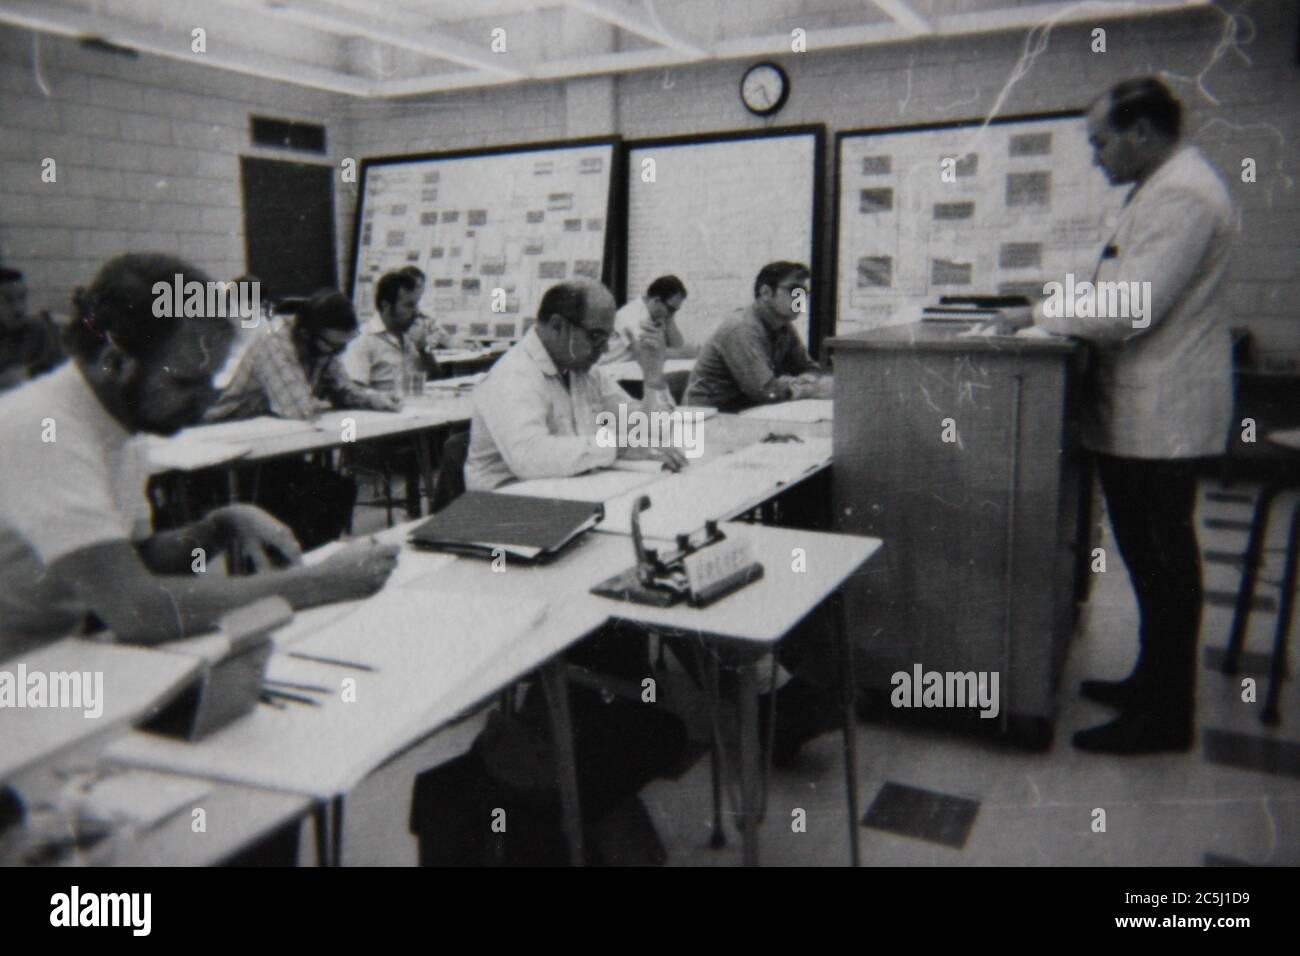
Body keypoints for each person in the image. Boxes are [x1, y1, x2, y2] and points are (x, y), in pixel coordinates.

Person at [0, 254, 399, 662]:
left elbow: (135, 559)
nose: (205, 400)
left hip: (55, 657)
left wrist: (219, 527)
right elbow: (138, 609)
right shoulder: (44, 429)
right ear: (114, 362)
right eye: (185, 382)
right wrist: (322, 582)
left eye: (210, 380)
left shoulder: (124, 429)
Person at [1031, 78, 1236, 754]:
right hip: (1150, 412)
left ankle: (1165, 716)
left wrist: (1042, 316)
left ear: (1140, 132)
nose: (1096, 156)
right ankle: (1152, 684)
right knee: (1154, 561)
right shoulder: (1165, 189)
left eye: (1100, 140)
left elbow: (1128, 308)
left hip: (1161, 416)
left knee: (1162, 563)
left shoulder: (1181, 193)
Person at [202, 289, 399, 548]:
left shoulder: (322, 348)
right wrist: (324, 398)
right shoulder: (274, 345)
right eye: (334, 346)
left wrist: (378, 400)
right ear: (306, 334)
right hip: (229, 452)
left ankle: (306, 562)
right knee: (295, 502)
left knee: (338, 489)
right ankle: (288, 566)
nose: (338, 353)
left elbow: (343, 389)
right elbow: (299, 410)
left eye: (344, 346)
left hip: (276, 449)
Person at [465, 277, 686, 491]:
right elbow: (530, 457)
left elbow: (651, 430)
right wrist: (619, 446)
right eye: (596, 336)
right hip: (502, 506)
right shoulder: (514, 374)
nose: (606, 349)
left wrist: (653, 377)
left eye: (607, 338)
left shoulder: (583, 371)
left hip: (563, 491)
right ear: (557, 325)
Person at [683, 261, 832, 412]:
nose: (801, 300)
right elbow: (765, 391)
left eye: (804, 293)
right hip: (708, 417)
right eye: (794, 290)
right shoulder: (742, 327)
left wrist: (806, 380)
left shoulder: (783, 326)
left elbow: (808, 369)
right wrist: (810, 389)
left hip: (745, 411)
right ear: (766, 293)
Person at [0, 266, 64, 393]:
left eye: (22, 298)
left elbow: (59, 374)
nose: (18, 308)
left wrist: (29, 373)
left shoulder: (39, 329)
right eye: (8, 300)